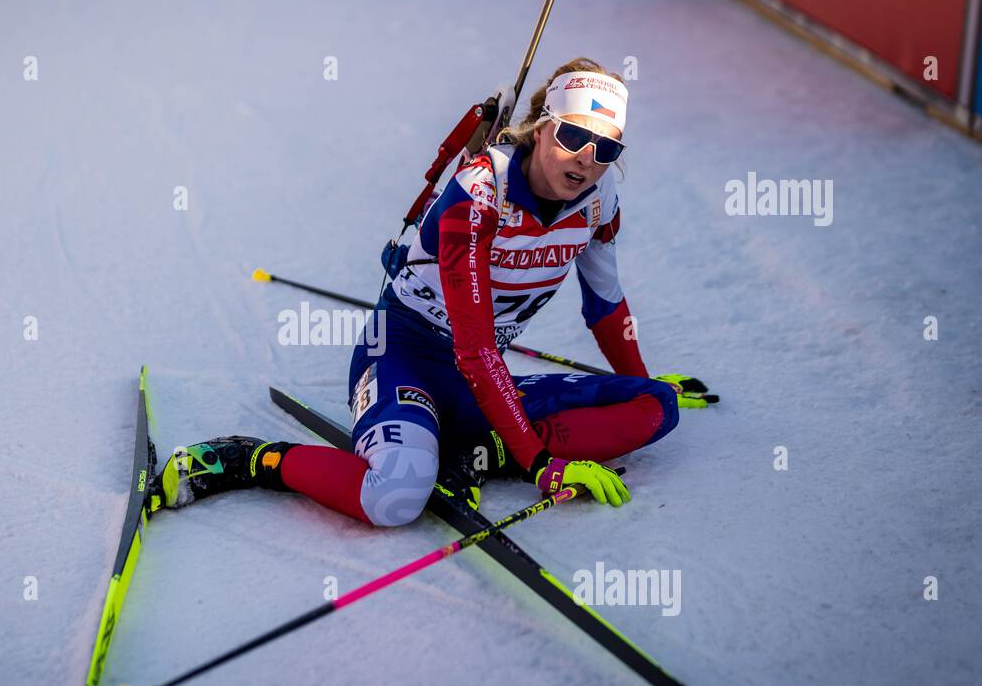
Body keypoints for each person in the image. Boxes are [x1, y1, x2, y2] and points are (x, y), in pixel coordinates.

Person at [152, 58, 715, 526]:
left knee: (653, 405)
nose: (586, 160)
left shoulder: (600, 197)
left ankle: (479, 451)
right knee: (394, 500)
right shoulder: (479, 192)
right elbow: (472, 346)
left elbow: (605, 304)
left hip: (482, 377)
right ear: (542, 126)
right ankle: (251, 459)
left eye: (606, 149)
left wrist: (636, 376)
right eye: (572, 137)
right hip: (408, 356)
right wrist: (542, 464)